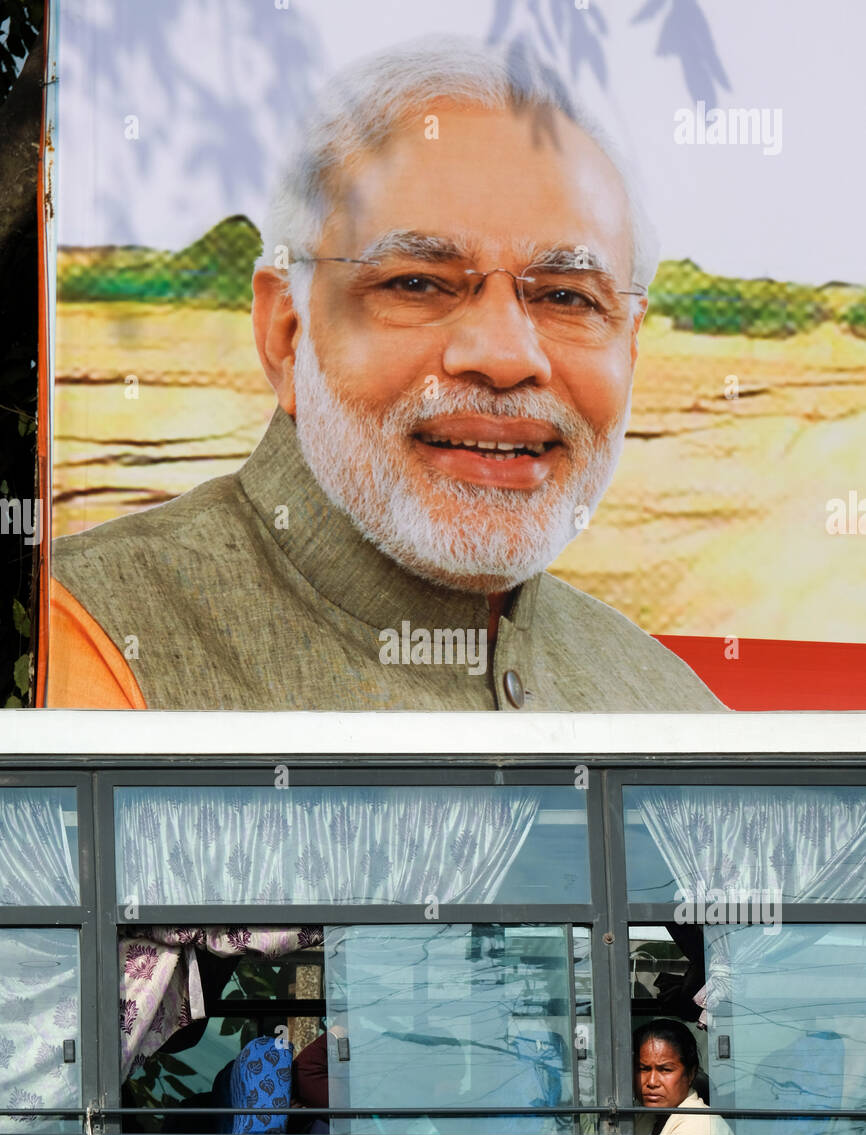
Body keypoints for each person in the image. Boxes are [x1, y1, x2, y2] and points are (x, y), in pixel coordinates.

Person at [47, 36, 723, 714]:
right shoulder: (83, 647)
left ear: (630, 346)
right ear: (286, 331)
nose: (505, 356)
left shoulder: (676, 710)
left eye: (566, 297)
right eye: (419, 284)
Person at [633, 1018, 734, 1135]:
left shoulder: (698, 1125)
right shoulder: (645, 1116)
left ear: (691, 1073)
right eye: (643, 1069)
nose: (652, 1082)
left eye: (665, 1070)